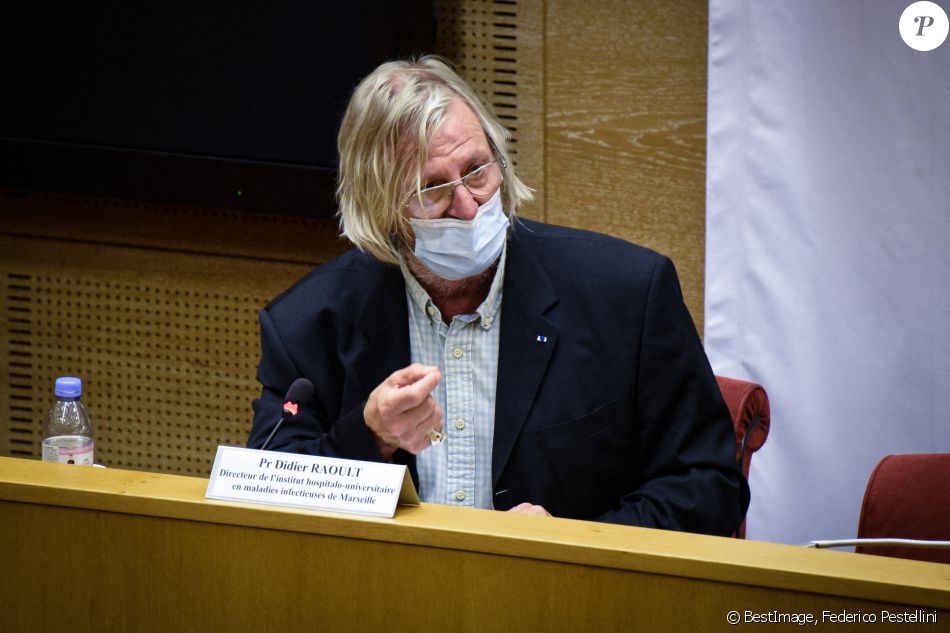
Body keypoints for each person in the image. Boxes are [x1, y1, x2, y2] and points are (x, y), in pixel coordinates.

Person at [247, 55, 749, 534]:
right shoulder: (309, 324)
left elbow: (708, 485)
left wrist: (576, 543)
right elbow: (271, 500)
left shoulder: (627, 296)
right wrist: (370, 435)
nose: (468, 207)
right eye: (432, 189)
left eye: (477, 170)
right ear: (380, 210)